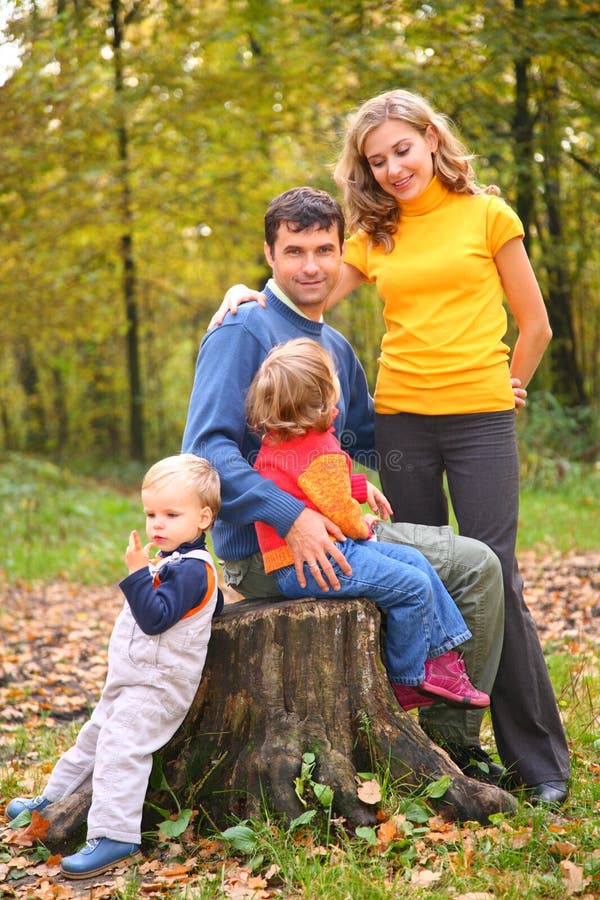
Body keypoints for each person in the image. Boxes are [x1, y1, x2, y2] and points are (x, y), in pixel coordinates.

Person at [183, 186, 506, 784]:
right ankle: (450, 751)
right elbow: (205, 453)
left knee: (472, 564)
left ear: (342, 255)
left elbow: (364, 440)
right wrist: (290, 515)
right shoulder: (242, 329)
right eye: (294, 251)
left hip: (337, 525)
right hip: (266, 549)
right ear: (269, 255)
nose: (311, 266)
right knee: (476, 566)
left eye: (324, 250)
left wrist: (472, 396)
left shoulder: (335, 347)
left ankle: (437, 738)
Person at [6, 454, 223, 879]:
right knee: (92, 739)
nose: (157, 524)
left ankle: (114, 834)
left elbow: (156, 618)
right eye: (151, 514)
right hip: (131, 680)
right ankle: (51, 800)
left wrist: (138, 575)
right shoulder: (170, 564)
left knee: (121, 748)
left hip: (158, 688)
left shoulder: (194, 571)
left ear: (203, 518)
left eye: (170, 514)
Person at [247, 336, 489, 711]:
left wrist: (360, 487)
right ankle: (408, 677)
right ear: (325, 400)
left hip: (308, 556)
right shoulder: (318, 450)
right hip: (313, 564)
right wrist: (364, 526)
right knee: (412, 585)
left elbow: (306, 486)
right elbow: (338, 510)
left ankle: (441, 658)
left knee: (417, 562)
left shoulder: (285, 441)